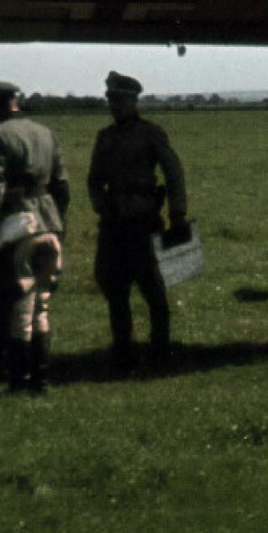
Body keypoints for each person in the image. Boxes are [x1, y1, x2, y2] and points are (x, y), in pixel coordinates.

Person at [0, 80, 70, 394]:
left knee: (20, 310)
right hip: (49, 224)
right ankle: (41, 378)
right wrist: (57, 223)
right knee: (42, 305)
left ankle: (19, 382)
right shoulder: (46, 133)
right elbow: (62, 187)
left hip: (19, 229)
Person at [88, 71, 189, 372]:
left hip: (144, 221)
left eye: (120, 100)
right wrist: (102, 206)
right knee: (114, 289)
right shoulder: (104, 137)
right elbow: (94, 180)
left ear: (134, 101)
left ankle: (160, 350)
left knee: (153, 289)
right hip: (114, 222)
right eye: (111, 100)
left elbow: (174, 173)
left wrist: (177, 214)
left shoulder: (151, 133)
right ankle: (123, 352)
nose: (115, 105)